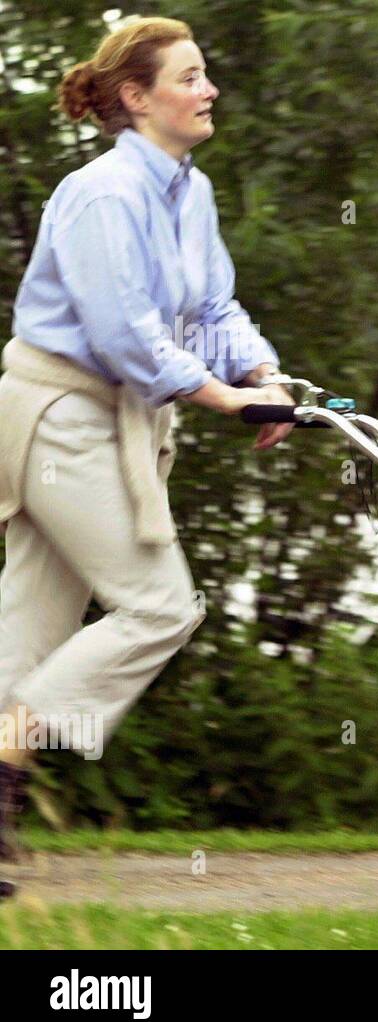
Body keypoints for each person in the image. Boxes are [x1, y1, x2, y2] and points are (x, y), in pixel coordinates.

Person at [0, 17, 296, 896]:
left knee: (33, 622)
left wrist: (262, 372)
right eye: (191, 77)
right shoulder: (102, 194)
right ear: (137, 96)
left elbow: (211, 305)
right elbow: (125, 337)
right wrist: (223, 398)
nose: (209, 91)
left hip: (108, 418)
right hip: (62, 416)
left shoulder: (185, 192)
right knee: (161, 605)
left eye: (206, 76)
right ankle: (12, 746)